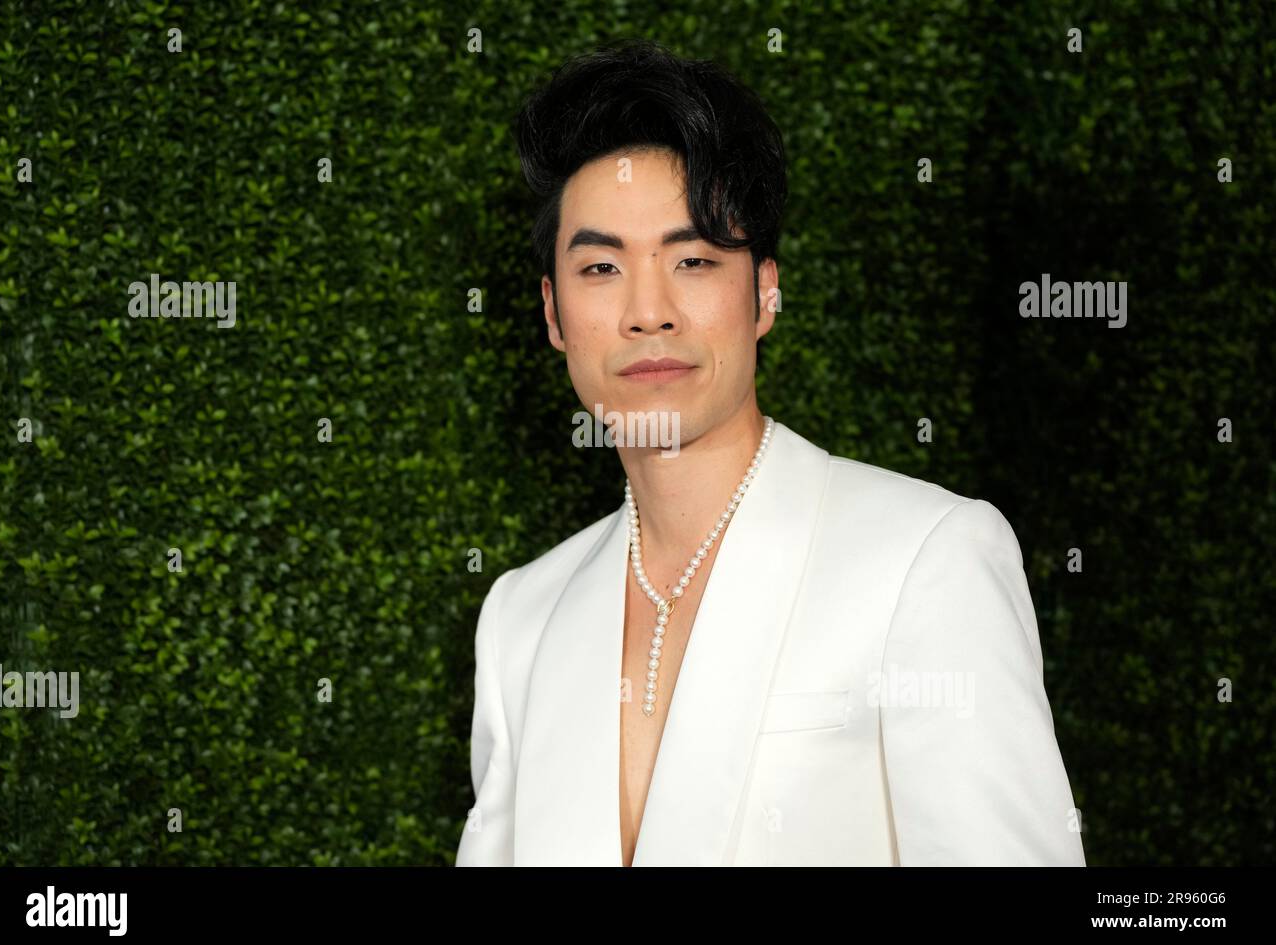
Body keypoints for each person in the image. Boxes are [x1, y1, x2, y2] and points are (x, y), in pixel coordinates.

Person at [456, 39, 1085, 866]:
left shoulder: (926, 559)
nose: (649, 312)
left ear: (764, 293)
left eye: (693, 259)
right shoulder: (522, 619)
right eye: (602, 266)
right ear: (553, 313)